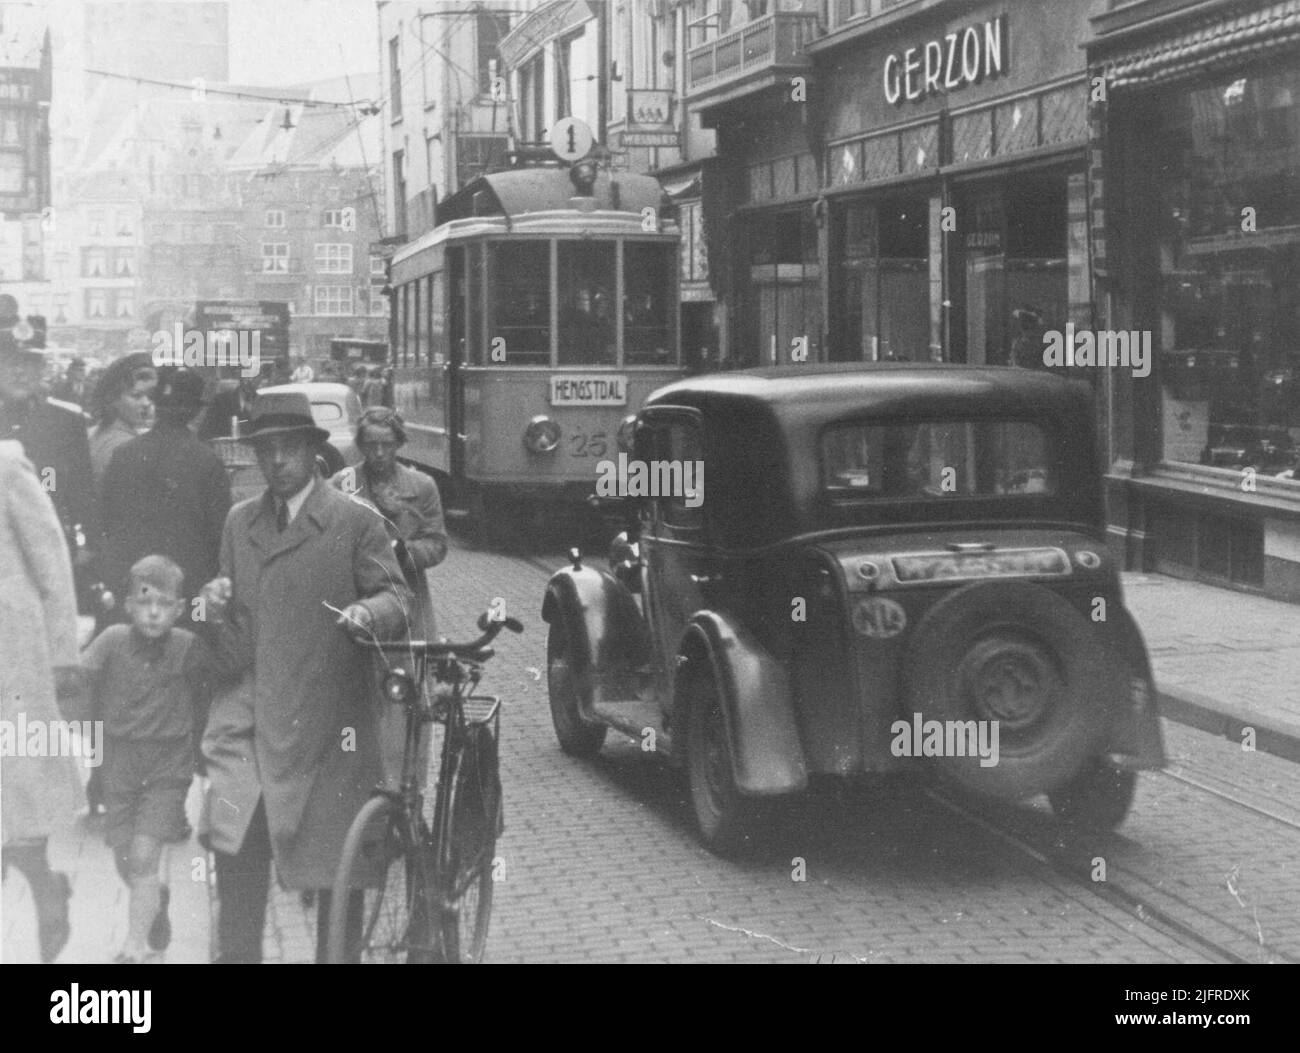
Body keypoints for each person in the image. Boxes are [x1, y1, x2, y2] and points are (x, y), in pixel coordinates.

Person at [198, 390, 411, 964]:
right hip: (250, 723)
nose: (276, 463)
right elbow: (234, 639)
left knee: (335, 877)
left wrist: (370, 612)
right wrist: (211, 606)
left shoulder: (354, 522)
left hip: (330, 729)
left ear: (314, 452)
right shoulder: (239, 524)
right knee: (237, 852)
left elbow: (398, 596)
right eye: (265, 451)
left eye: (289, 449)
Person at [78, 556, 232, 962]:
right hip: (119, 765)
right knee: (124, 859)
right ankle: (155, 901)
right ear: (128, 604)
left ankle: (134, 945)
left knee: (145, 855)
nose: (152, 612)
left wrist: (218, 619)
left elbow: (224, 668)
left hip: (167, 767)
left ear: (179, 610)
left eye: (163, 605)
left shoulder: (187, 647)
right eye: (144, 603)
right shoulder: (111, 639)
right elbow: (78, 676)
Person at [331, 408, 448, 787]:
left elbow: (437, 545)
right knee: (359, 701)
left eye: (386, 445)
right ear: (360, 445)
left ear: (399, 443)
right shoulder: (342, 485)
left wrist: (401, 551)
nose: (378, 454)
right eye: (370, 445)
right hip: (360, 603)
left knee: (408, 701)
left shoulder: (422, 487)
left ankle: (407, 789)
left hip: (408, 609)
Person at [0, 416, 81, 963]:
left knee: (18, 785)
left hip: (10, 658)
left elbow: (51, 561)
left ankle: (47, 889)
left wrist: (62, 655)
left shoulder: (6, 465)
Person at [101, 366, 231, 622]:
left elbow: (106, 524)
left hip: (134, 596)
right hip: (188, 597)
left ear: (156, 405)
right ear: (196, 411)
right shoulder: (207, 461)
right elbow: (220, 537)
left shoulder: (123, 455)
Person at [89, 353, 156, 486]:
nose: (146, 403)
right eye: (136, 396)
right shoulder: (130, 447)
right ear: (113, 399)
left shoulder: (93, 432)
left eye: (150, 395)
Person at [199, 374, 261, 440]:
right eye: (247, 376)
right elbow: (205, 433)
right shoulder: (221, 401)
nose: (250, 380)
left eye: (256, 376)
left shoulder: (263, 401)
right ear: (241, 378)